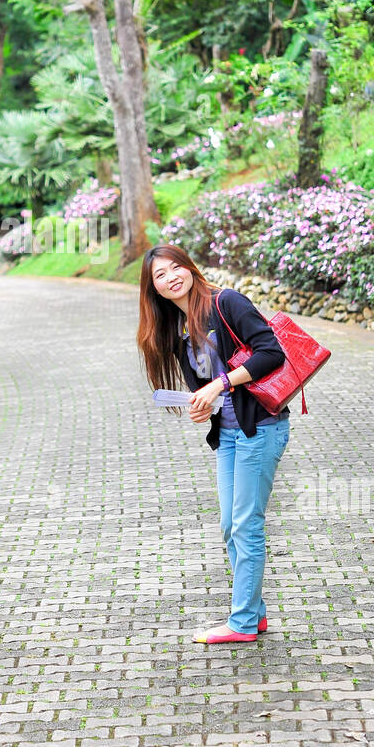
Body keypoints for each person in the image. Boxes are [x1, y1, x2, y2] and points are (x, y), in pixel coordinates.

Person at [137, 244, 290, 645]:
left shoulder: (227, 303)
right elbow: (206, 392)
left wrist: (221, 384)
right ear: (153, 289)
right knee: (230, 525)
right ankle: (253, 614)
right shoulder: (179, 330)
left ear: (189, 268)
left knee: (245, 524)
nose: (171, 277)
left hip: (260, 427)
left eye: (176, 268)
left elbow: (271, 353)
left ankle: (240, 623)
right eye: (160, 275)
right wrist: (203, 406)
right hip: (227, 435)